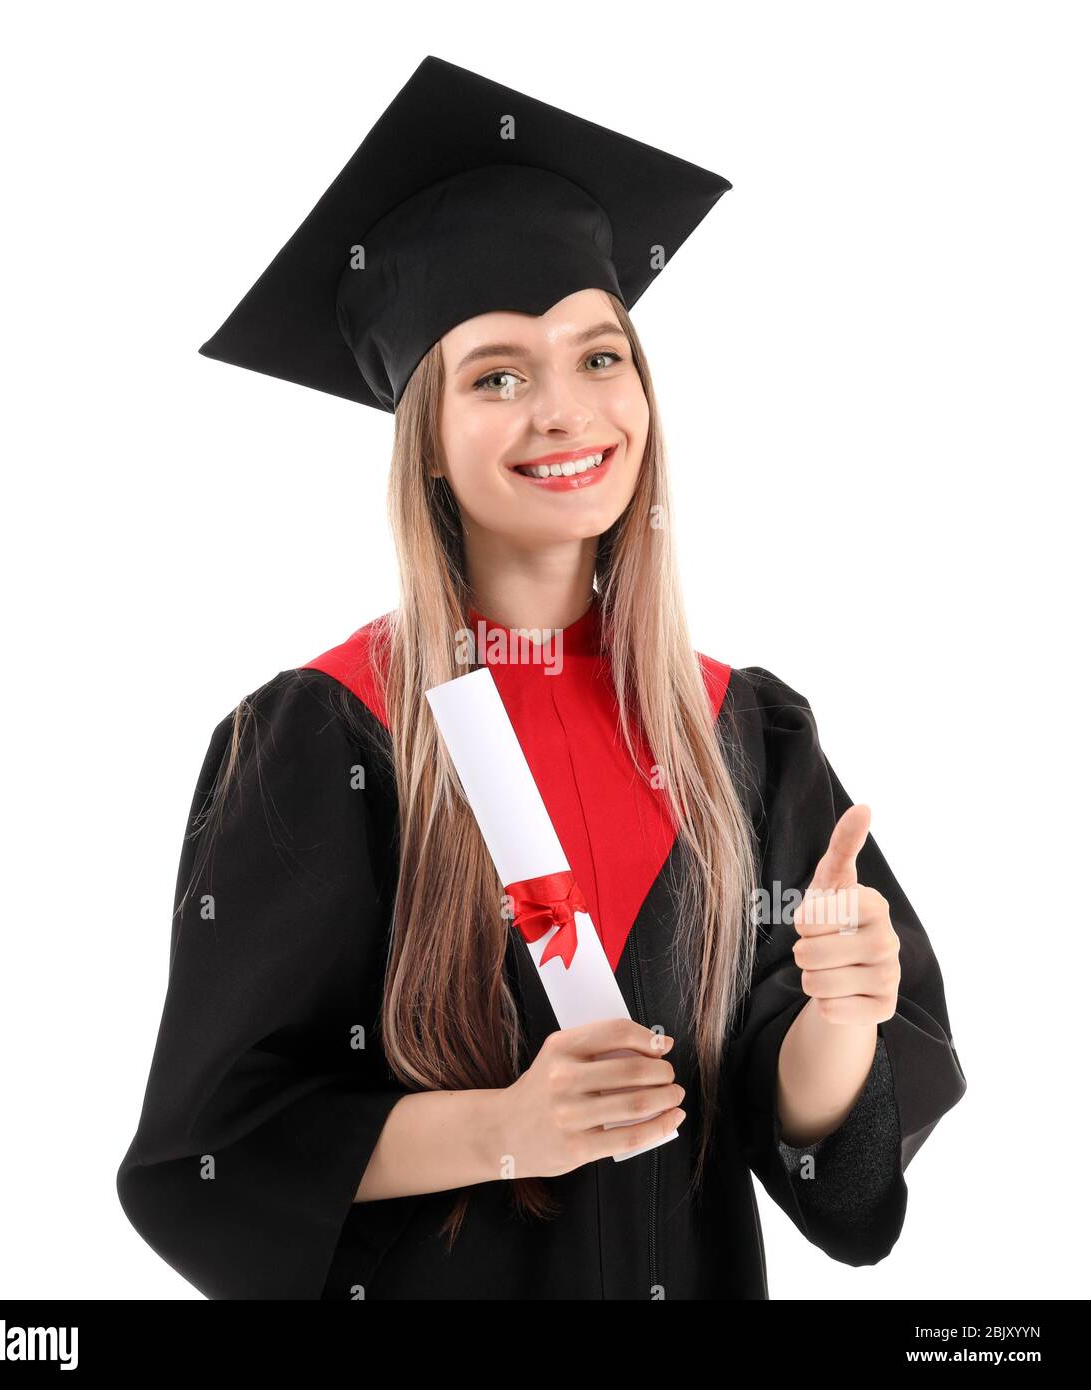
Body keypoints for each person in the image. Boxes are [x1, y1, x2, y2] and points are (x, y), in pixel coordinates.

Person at [115, 54, 966, 1300]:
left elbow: (805, 1138)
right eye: (499, 375)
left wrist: (843, 1007)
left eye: (600, 356)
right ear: (429, 441)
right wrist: (513, 1125)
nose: (566, 411)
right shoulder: (327, 735)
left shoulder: (745, 732)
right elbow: (217, 1154)